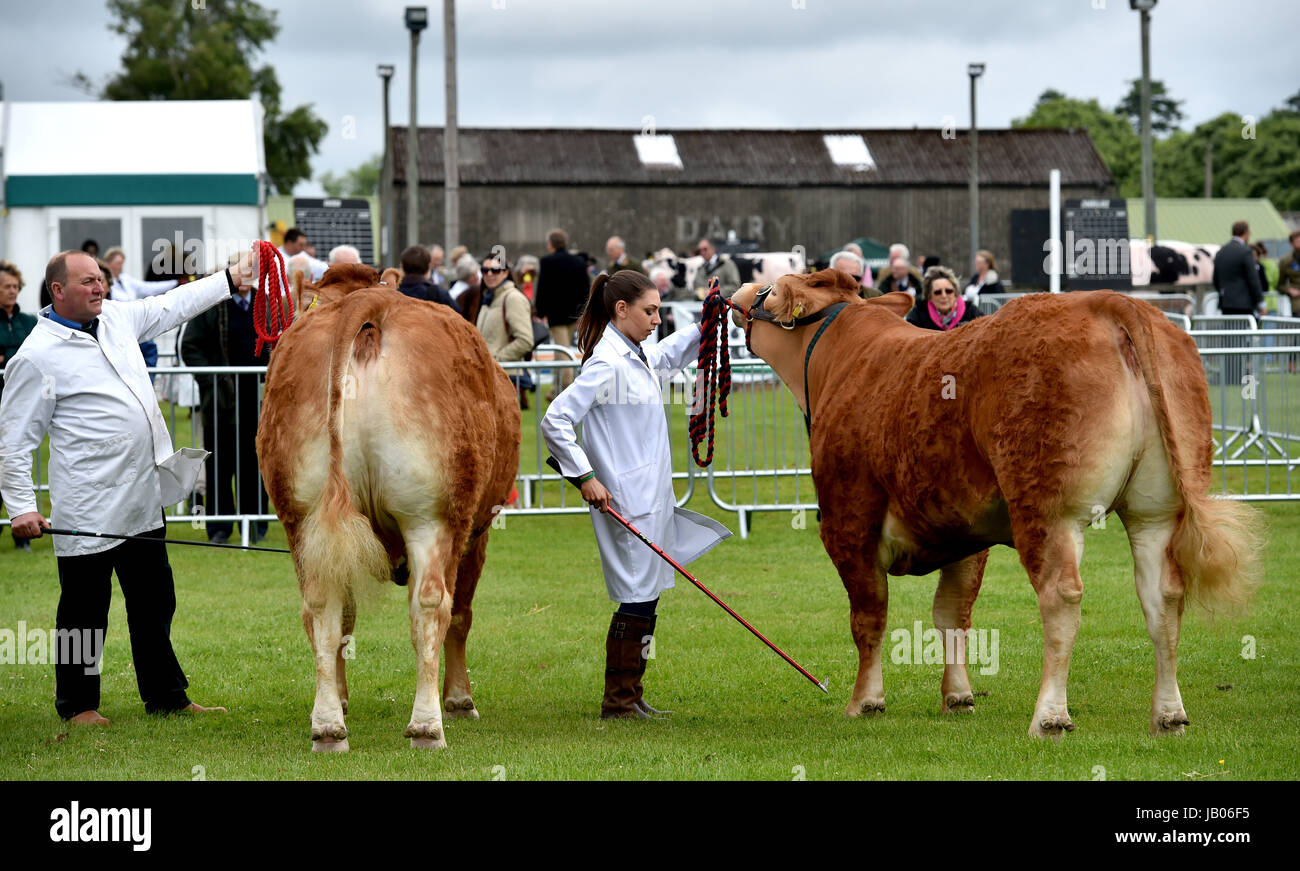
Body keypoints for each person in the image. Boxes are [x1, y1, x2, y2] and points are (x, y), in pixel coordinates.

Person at [0, 248, 255, 725]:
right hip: (87, 507)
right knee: (84, 612)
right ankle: (78, 706)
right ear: (58, 291)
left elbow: (170, 305)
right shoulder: (36, 356)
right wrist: (21, 507)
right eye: (87, 282)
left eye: (100, 279)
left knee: (155, 601)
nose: (99, 288)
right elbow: (14, 442)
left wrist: (228, 279)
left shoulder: (117, 318)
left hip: (141, 497)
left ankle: (166, 696)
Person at [541, 270, 729, 719]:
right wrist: (585, 475)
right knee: (636, 594)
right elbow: (556, 420)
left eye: (659, 311)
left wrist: (708, 320)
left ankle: (632, 693)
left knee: (648, 593)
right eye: (650, 311)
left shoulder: (634, 352)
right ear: (620, 310)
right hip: (624, 497)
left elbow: (666, 356)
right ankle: (618, 701)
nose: (656, 320)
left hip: (649, 495)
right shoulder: (606, 363)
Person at [179, 259, 275, 545]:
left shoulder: (266, 304)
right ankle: (219, 528)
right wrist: (213, 379)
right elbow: (190, 347)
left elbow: (281, 342)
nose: (245, 278)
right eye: (240, 272)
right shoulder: (212, 303)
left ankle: (255, 523)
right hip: (220, 399)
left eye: (250, 273)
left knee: (253, 460)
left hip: (257, 398)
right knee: (220, 463)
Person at [0, 260, 38, 551]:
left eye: (15, 286)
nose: (12, 291)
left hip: (23, 406)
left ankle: (22, 534)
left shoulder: (29, 322)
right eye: (6, 287)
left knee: (20, 463)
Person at [535, 228, 591, 399]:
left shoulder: (547, 262)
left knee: (563, 352)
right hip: (573, 314)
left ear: (550, 244)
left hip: (556, 314)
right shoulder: (578, 262)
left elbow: (542, 288)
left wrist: (540, 309)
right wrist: (583, 312)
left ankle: (568, 388)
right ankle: (556, 389)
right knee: (561, 351)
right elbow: (585, 288)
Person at [475, 250, 534, 407]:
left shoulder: (513, 298)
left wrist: (496, 360)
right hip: (489, 378)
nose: (489, 274)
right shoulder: (489, 298)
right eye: (484, 270)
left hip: (505, 379)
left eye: (495, 270)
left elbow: (525, 340)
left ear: (505, 272)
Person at [907, 266, 982, 331]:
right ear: (929, 296)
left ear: (955, 293)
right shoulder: (918, 314)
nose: (944, 295)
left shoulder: (971, 312)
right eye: (938, 292)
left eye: (948, 291)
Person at [396, 245, 461, 313]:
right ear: (428, 267)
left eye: (439, 259)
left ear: (402, 267)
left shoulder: (393, 294)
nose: (438, 263)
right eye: (436, 259)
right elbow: (458, 315)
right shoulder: (437, 294)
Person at [450, 255, 482, 324]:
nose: (476, 277)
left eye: (476, 273)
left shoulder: (478, 283)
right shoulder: (456, 293)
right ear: (464, 277)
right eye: (472, 275)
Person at [1276, 230, 1300, 318]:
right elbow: (1280, 285)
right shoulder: (1285, 261)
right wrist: (1290, 290)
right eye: (1297, 241)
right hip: (1297, 301)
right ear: (1291, 243)